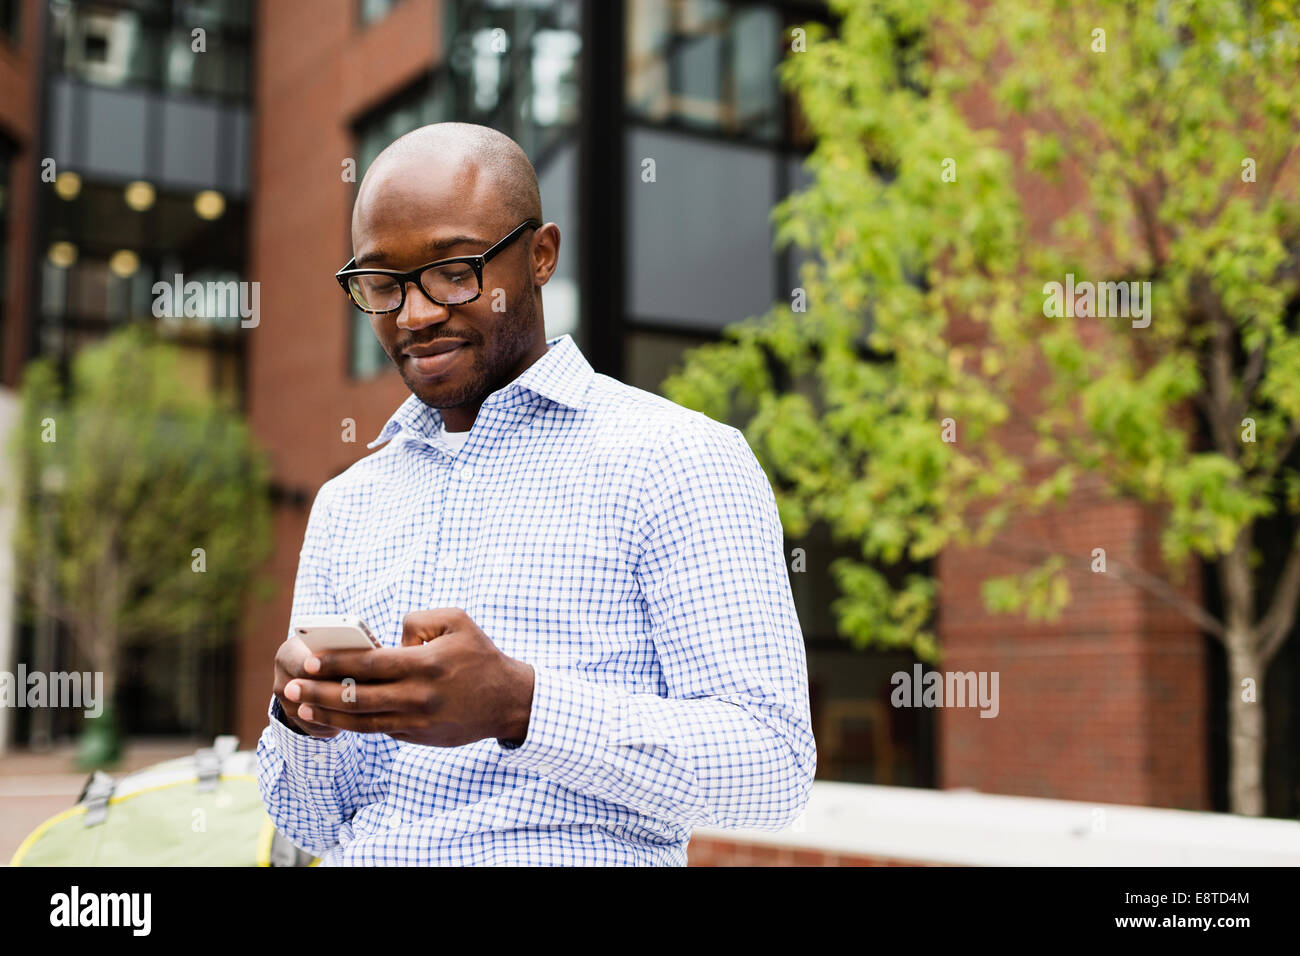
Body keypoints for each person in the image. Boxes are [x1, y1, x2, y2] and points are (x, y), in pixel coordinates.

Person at [256, 122, 816, 865]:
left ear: (541, 255)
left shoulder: (678, 458)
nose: (415, 315)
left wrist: (521, 704)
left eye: (455, 270)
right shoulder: (346, 504)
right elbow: (312, 825)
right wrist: (306, 723)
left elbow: (770, 768)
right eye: (383, 284)